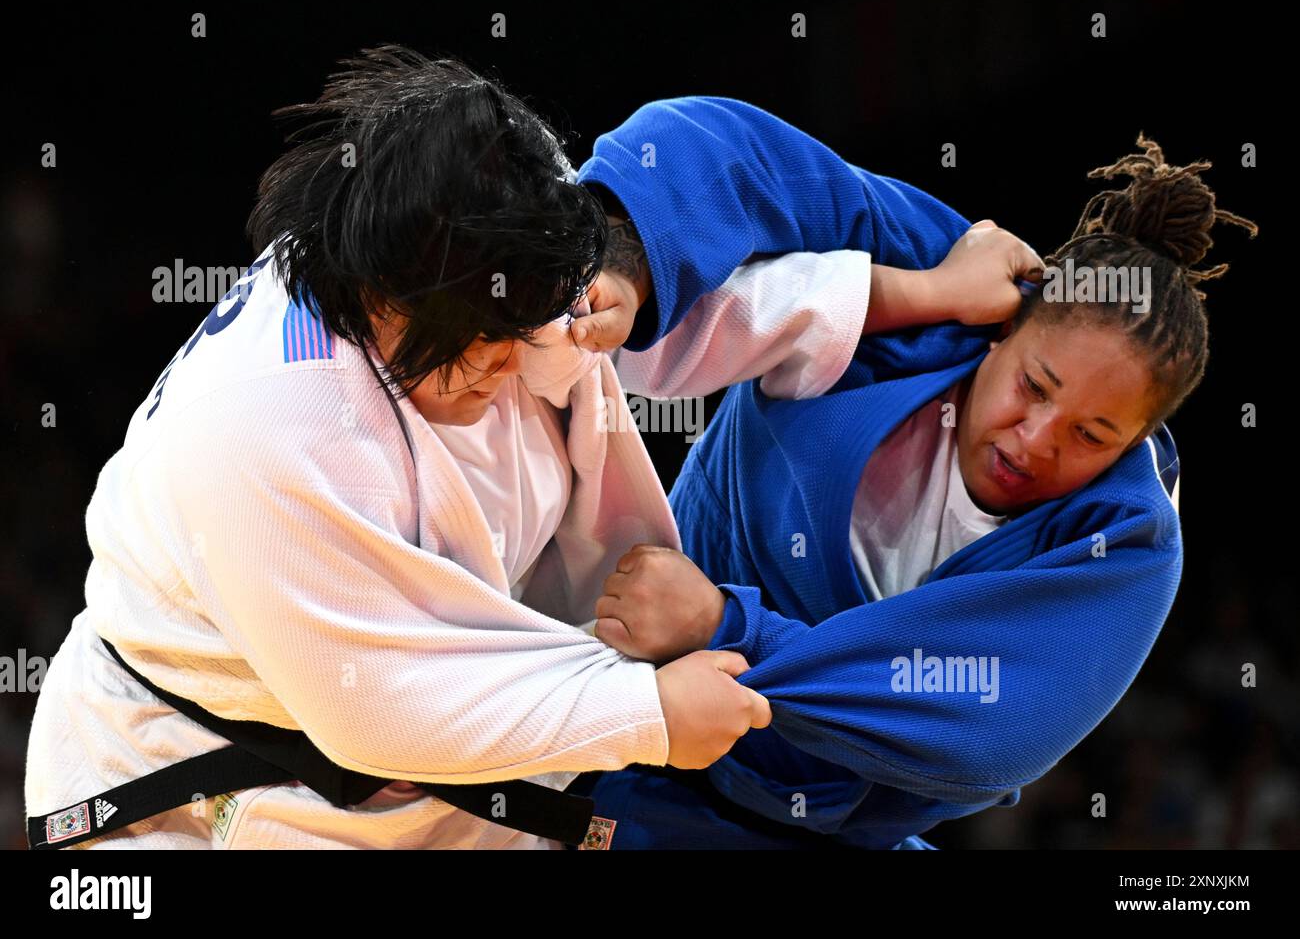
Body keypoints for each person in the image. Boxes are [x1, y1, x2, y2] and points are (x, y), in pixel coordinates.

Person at [23, 47, 783, 851]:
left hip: (413, 763)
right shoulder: (269, 426)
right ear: (380, 303)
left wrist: (621, 271)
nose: (508, 363)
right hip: (190, 778)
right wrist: (644, 716)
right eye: (483, 344)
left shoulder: (497, 231)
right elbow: (379, 706)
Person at [563, 97, 1258, 848]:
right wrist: (627, 254)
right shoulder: (947, 277)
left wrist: (730, 628)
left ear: (1132, 444)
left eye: (1090, 435)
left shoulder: (1125, 542)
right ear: (1006, 331)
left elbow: (985, 734)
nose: (1034, 441)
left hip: (820, 821)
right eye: (1034, 386)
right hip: (633, 694)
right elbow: (724, 148)